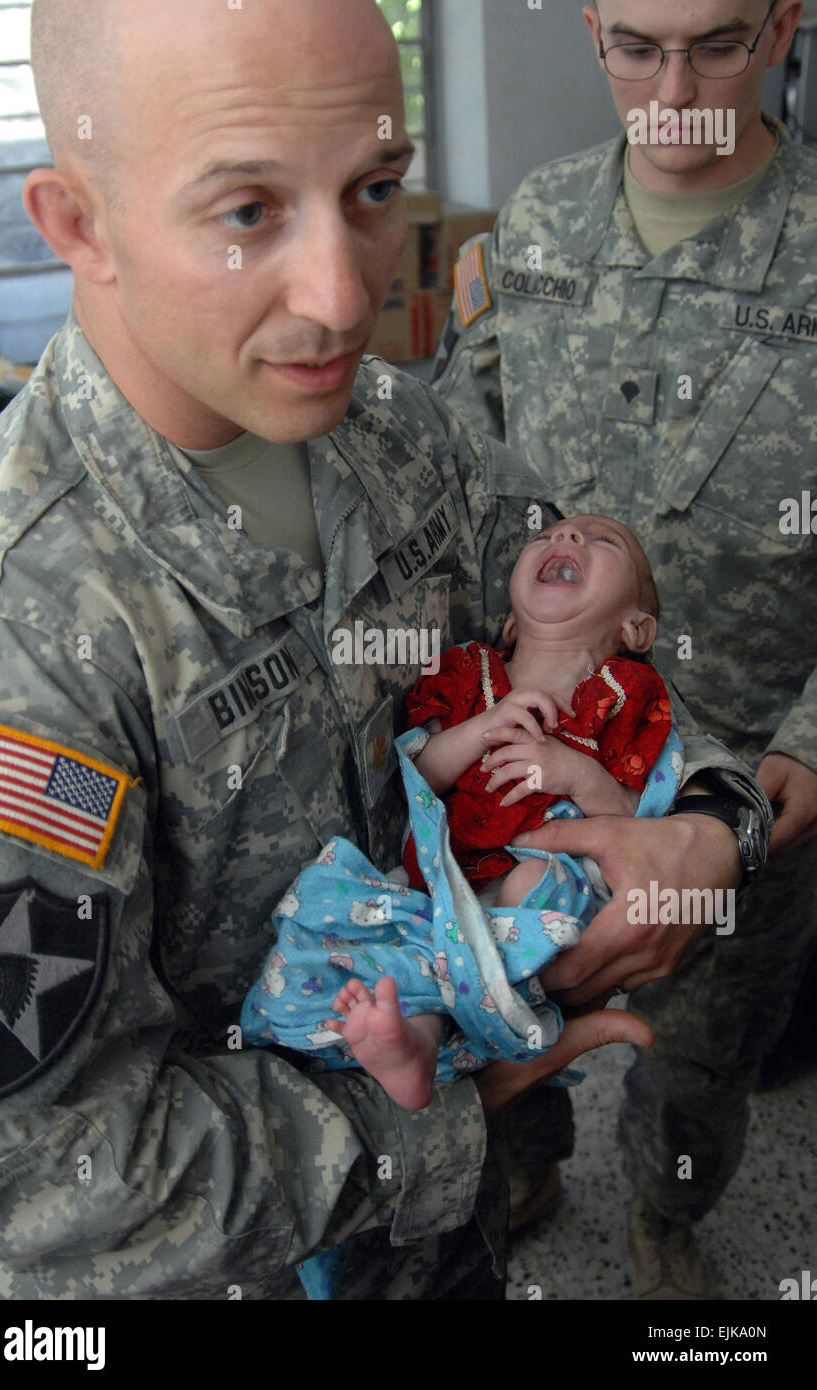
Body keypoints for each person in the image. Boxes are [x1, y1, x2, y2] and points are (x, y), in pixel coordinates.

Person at [0, 0, 766, 1301]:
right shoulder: (8, 628)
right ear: (77, 225)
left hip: (441, 1247)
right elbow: (43, 1178)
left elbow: (604, 644)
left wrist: (710, 827)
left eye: (374, 187)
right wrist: (436, 1114)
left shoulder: (403, 437)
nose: (345, 294)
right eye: (247, 213)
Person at [432, 0, 815, 1299]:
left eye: (713, 42)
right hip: (527, 764)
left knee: (697, 1062)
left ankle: (665, 1216)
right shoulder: (534, 226)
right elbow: (456, 445)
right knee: (502, 1007)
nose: (672, 88)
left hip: (734, 784)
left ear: (780, 23)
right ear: (589, 28)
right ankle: (529, 1159)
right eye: (633, 46)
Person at [242, 513, 678, 1114]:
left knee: (533, 886)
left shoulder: (627, 695)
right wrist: (481, 730)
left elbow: (636, 815)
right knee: (391, 945)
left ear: (636, 627)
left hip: (538, 884)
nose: (565, 537)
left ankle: (484, 1002)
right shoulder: (469, 672)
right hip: (441, 883)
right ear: (508, 621)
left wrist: (575, 772)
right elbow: (419, 774)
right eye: (546, 536)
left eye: (603, 540)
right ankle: (414, 1049)